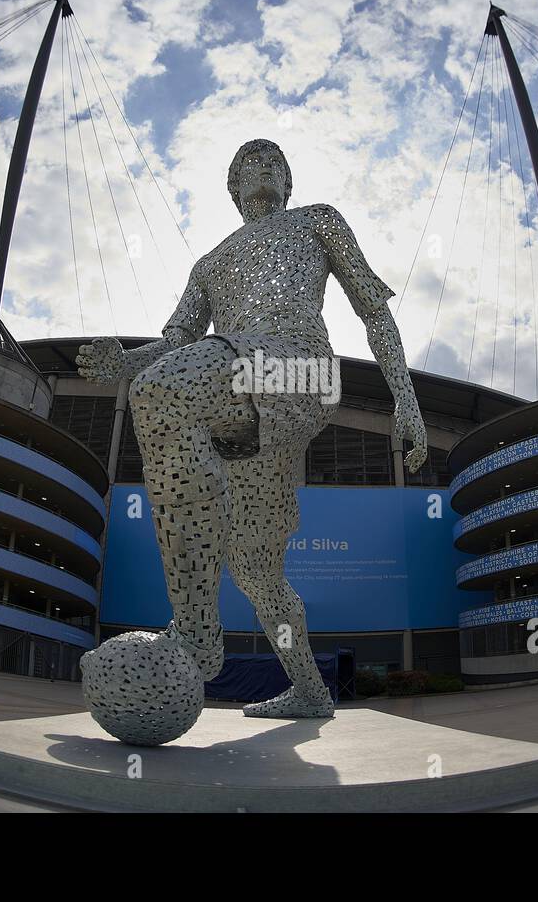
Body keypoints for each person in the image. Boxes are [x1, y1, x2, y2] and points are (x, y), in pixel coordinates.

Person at [76, 139, 428, 719]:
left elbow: (373, 308)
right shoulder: (211, 263)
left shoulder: (317, 222)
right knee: (258, 573)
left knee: (160, 391)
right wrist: (125, 361)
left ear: (289, 185)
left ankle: (193, 628)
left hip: (298, 367)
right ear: (233, 188)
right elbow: (175, 342)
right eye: (247, 166)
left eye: (274, 165)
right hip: (243, 407)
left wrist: (406, 400)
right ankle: (312, 694)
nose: (261, 170)